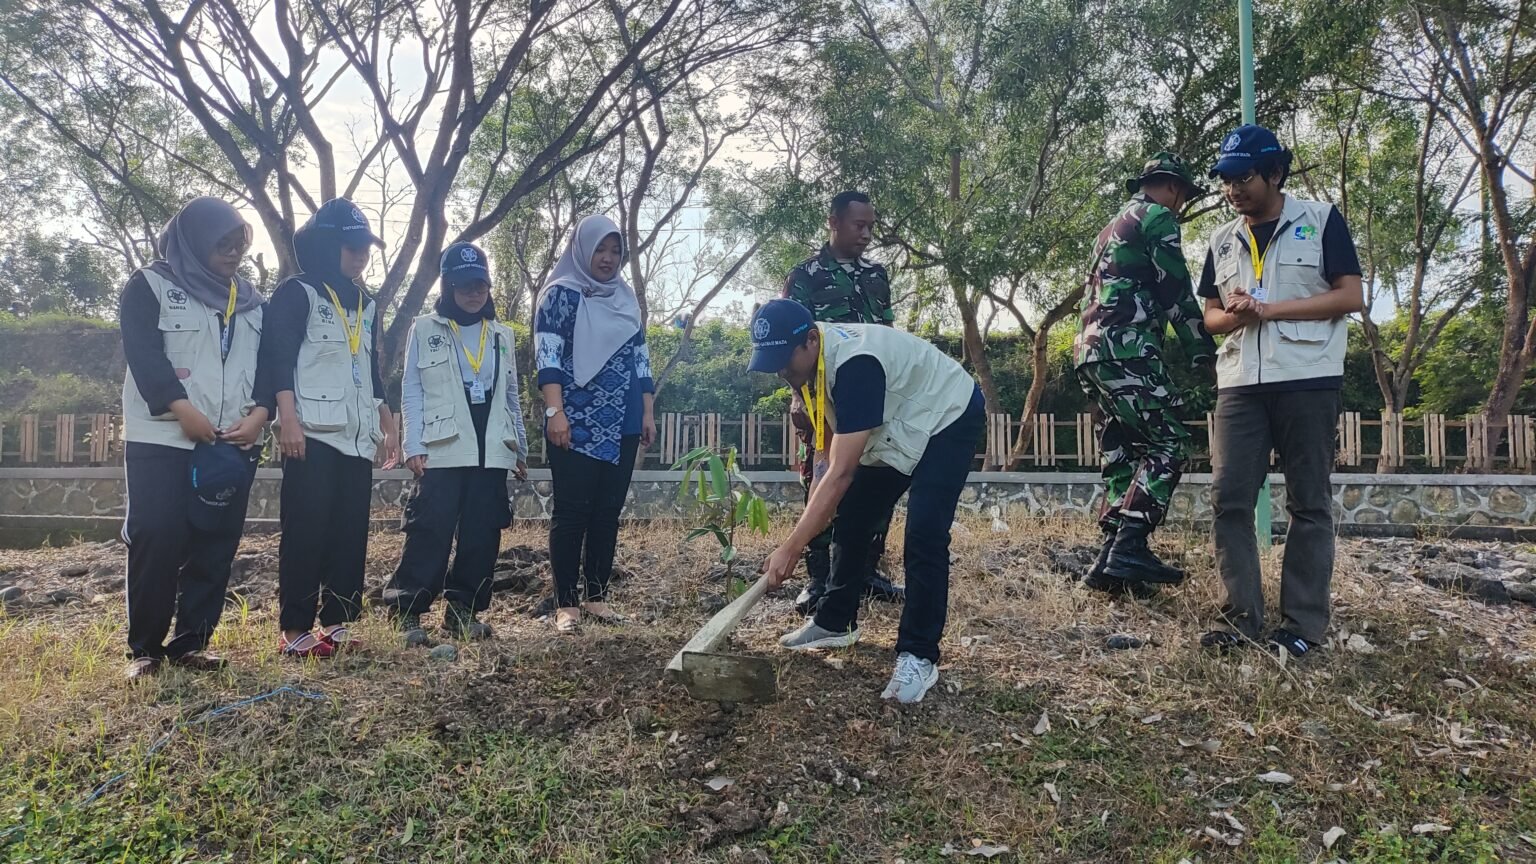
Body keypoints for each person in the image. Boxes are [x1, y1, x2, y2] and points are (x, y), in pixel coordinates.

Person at [752, 299, 985, 704]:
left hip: (948, 415)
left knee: (924, 533)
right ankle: (835, 622)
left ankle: (919, 655)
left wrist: (791, 547)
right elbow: (827, 461)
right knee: (855, 515)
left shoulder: (855, 365)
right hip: (901, 424)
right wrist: (814, 513)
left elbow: (842, 473)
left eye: (784, 360)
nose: (781, 372)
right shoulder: (813, 362)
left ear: (810, 340)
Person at [1196, 125, 1363, 658]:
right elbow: (1209, 318)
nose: (1232, 189)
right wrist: (1237, 314)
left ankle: (1302, 626)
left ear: (1274, 172)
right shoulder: (1222, 239)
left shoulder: (1319, 220)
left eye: (1242, 176)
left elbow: (1351, 296)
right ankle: (1241, 618)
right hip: (1240, 385)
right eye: (1224, 179)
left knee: (1308, 502)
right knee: (1229, 500)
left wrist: (1272, 310)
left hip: (1308, 379)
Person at [118, 197, 268, 680]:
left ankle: (192, 642)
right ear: (193, 241)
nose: (232, 253)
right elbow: (144, 355)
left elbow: (268, 366)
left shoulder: (249, 300)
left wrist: (260, 415)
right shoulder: (150, 286)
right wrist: (181, 409)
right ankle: (145, 647)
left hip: (230, 439)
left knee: (215, 540)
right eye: (221, 243)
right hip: (162, 436)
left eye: (238, 243)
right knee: (157, 535)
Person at [256, 198, 399, 658]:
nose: (361, 255)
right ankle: (295, 628)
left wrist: (386, 422)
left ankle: (337, 623)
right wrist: (287, 420)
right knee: (306, 529)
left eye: (366, 247)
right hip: (311, 431)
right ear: (323, 244)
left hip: (356, 434)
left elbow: (372, 370)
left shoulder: (367, 302)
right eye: (351, 245)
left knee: (349, 530)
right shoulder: (296, 293)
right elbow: (278, 358)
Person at [1073, 153, 1215, 598]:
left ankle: (1109, 562)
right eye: (1183, 197)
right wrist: (1202, 351)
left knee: (1124, 448)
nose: (1181, 206)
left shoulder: (1111, 225)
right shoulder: (1156, 218)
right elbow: (1174, 288)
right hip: (1128, 349)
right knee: (1169, 443)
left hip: (1092, 352)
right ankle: (1131, 544)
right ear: (1171, 187)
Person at [384, 242, 528, 646]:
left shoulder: (501, 334)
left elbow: (511, 394)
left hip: (492, 446)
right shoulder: (425, 328)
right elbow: (411, 389)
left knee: (483, 533)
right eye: (464, 285)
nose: (473, 293)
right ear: (448, 286)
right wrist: (413, 443)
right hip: (443, 445)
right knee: (431, 528)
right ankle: (407, 609)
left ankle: (463, 611)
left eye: (480, 284)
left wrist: (517, 447)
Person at [781, 190, 903, 616]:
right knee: (821, 479)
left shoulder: (877, 276)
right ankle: (818, 579)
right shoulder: (806, 276)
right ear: (833, 222)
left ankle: (865, 570)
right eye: (858, 225)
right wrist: (803, 402)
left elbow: (888, 335)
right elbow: (792, 345)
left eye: (871, 225)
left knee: (875, 479)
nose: (867, 234)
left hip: (870, 395)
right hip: (821, 402)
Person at [534, 215, 656, 634]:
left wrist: (647, 412)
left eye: (615, 251)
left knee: (607, 513)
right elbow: (547, 357)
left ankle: (597, 597)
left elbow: (641, 360)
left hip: (621, 420)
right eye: (600, 250)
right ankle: (565, 603)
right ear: (582, 250)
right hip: (575, 420)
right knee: (572, 513)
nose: (607, 259)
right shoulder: (559, 296)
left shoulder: (624, 300)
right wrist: (555, 412)